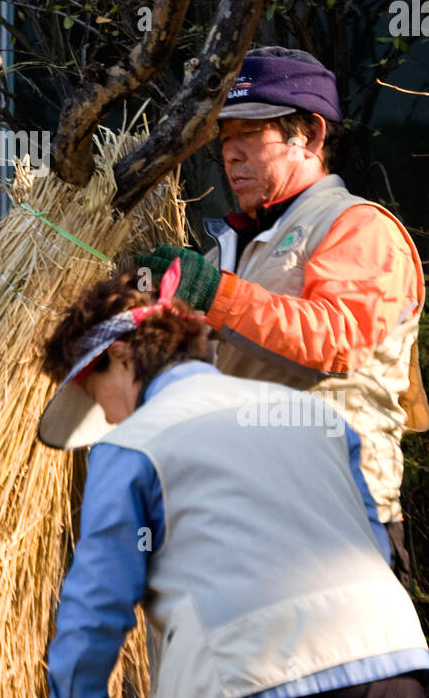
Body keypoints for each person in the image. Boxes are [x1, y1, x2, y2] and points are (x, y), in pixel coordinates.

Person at [18, 262, 429, 698]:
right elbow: (373, 541)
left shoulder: (132, 447)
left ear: (120, 356)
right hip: (386, 658)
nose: (107, 417)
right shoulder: (310, 415)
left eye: (95, 394)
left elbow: (98, 604)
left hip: (245, 676)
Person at [137, 47, 427, 585]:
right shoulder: (236, 248)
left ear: (311, 136)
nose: (231, 155)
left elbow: (338, 342)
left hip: (336, 515)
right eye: (224, 138)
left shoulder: (358, 227)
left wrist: (214, 296)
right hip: (246, 518)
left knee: (352, 671)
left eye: (250, 134)